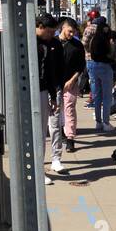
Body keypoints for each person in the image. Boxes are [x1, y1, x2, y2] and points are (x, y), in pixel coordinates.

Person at [35, 13, 63, 183]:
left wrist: (53, 96)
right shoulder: (29, 42)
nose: (52, 35)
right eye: (50, 32)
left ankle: (39, 169)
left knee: (41, 134)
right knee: (35, 133)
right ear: (40, 26)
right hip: (30, 91)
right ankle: (36, 170)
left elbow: (51, 72)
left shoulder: (51, 44)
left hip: (44, 90)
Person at [56, 17, 85, 152]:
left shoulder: (77, 45)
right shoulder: (53, 43)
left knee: (69, 109)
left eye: (73, 32)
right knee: (56, 110)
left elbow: (80, 66)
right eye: (69, 31)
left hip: (70, 83)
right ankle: (60, 132)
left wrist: (72, 80)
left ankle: (70, 138)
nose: (71, 34)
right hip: (55, 83)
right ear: (63, 28)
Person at [83, 16, 115, 132]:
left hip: (91, 62)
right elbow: (111, 51)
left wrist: (90, 52)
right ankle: (106, 122)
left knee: (96, 95)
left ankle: (98, 122)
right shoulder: (105, 32)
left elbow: (84, 43)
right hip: (104, 65)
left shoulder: (89, 29)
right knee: (107, 96)